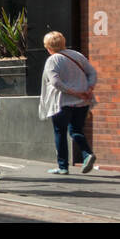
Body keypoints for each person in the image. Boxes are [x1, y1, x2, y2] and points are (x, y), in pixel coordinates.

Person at [39, 31, 99, 175]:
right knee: (76, 130)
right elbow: (92, 72)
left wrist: (74, 92)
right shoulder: (77, 55)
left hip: (62, 102)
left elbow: (55, 82)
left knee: (60, 132)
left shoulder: (53, 60)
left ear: (48, 46)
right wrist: (88, 88)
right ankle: (87, 154)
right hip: (82, 101)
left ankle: (63, 166)